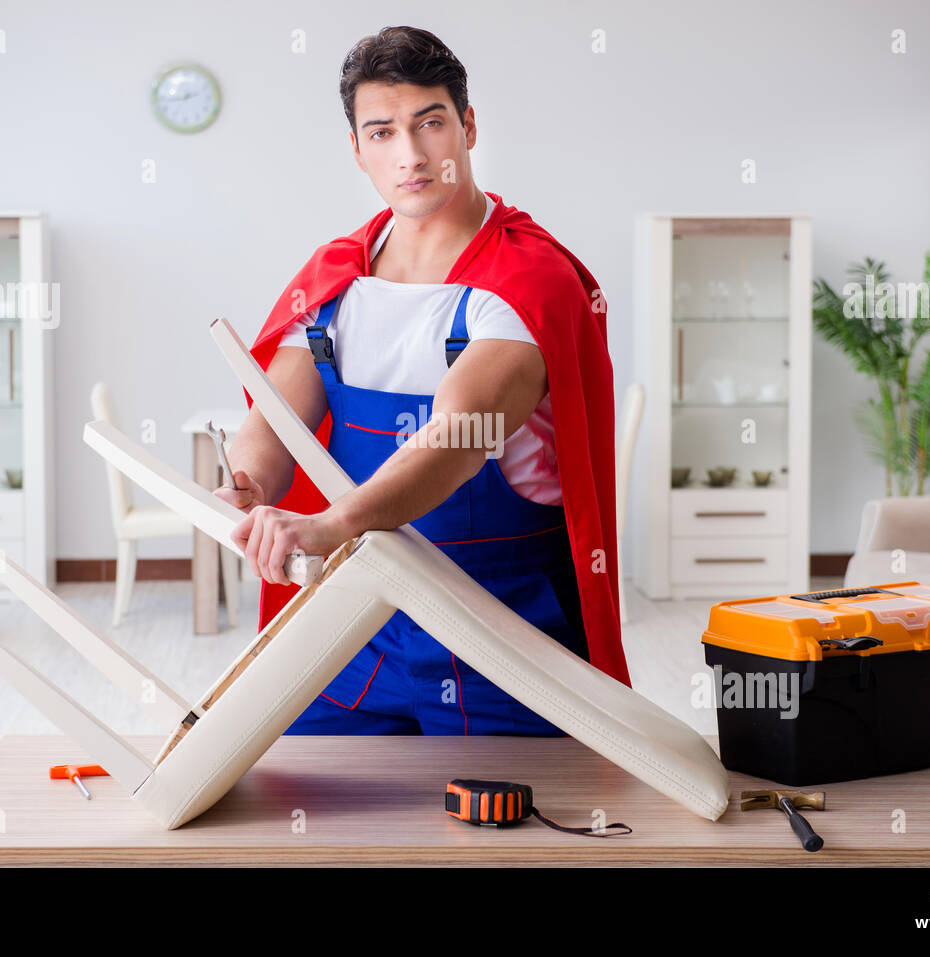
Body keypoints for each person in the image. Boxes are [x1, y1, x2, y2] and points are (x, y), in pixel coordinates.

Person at [216, 25, 627, 735]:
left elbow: (458, 438)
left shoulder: (529, 283)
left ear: (467, 127)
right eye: (381, 132)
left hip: (501, 627)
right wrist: (248, 485)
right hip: (355, 621)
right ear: (357, 149)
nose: (409, 155)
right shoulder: (336, 280)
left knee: (511, 833)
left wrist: (330, 524)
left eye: (429, 123)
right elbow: (275, 424)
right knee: (299, 809)